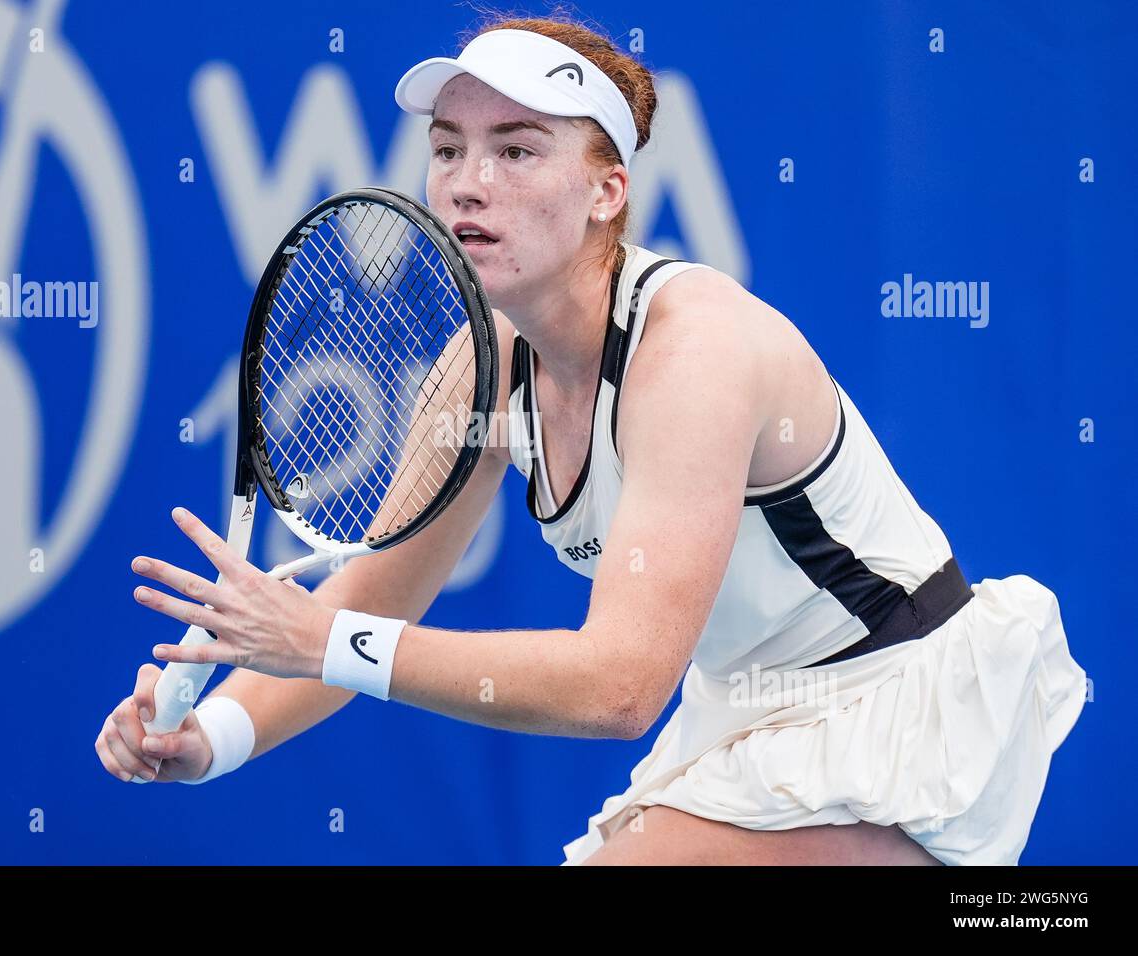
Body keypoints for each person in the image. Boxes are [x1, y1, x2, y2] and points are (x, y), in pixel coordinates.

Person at [95, 16, 1089, 865]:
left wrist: (328, 642)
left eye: (516, 150)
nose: (467, 183)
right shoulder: (476, 364)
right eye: (447, 149)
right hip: (738, 715)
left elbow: (618, 685)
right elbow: (371, 591)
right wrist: (210, 734)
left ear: (606, 191)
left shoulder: (692, 351)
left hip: (897, 704)